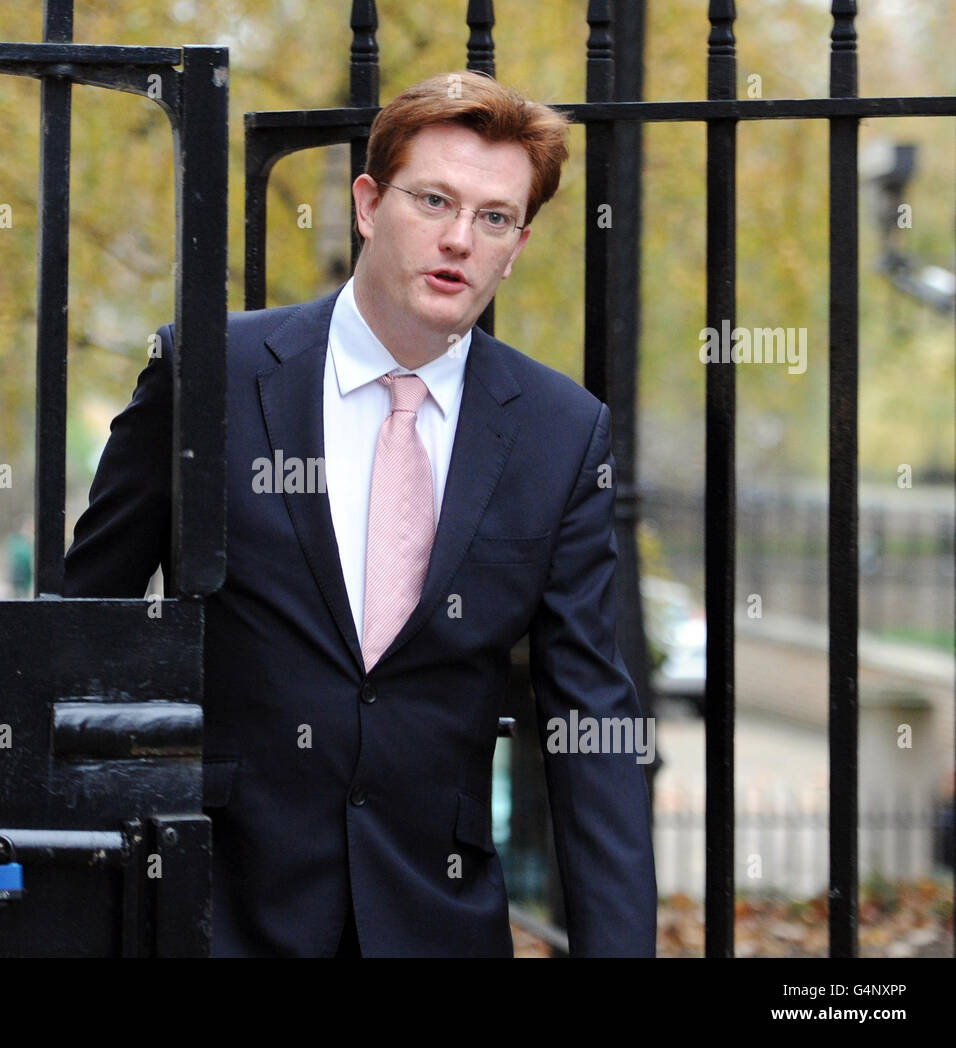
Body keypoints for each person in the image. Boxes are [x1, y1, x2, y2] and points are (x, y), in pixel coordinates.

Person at [64, 71, 656, 957]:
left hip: (436, 920)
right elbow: (86, 638)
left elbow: (590, 721)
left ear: (518, 243)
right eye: (433, 200)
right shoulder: (208, 376)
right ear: (370, 203)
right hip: (217, 912)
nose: (460, 238)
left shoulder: (562, 433)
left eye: (494, 217)